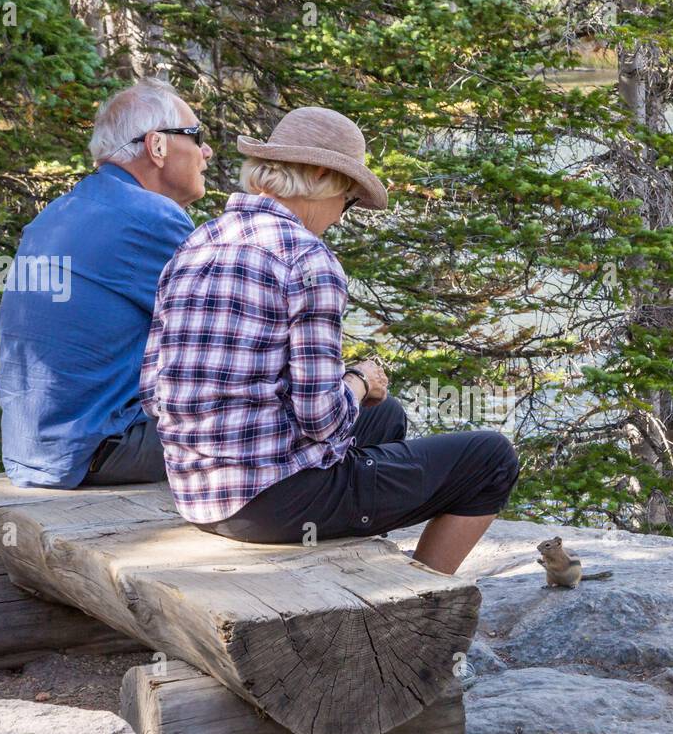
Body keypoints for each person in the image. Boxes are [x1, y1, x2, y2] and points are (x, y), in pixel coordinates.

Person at [139, 106, 519, 574]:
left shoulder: (197, 245)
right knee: (490, 459)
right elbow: (324, 421)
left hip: (196, 494)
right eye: (348, 200)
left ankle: (349, 558)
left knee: (387, 416)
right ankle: (417, 597)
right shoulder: (307, 259)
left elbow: (153, 394)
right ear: (321, 175)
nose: (341, 215)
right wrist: (357, 380)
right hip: (269, 503)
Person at [0, 77, 213, 488]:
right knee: (305, 417)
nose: (206, 151)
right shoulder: (150, 216)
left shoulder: (58, 211)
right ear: (157, 146)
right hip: (100, 448)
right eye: (195, 135)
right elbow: (230, 334)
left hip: (32, 452)